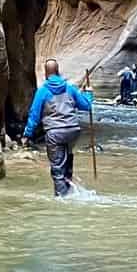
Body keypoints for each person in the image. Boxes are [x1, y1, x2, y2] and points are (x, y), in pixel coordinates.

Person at [24, 60, 94, 197]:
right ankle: (70, 191)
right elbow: (86, 106)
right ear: (58, 71)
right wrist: (89, 94)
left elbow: (34, 114)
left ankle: (62, 200)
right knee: (67, 160)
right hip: (73, 131)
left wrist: (27, 134)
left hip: (55, 133)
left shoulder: (43, 91)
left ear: (46, 73)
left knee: (57, 168)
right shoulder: (70, 88)